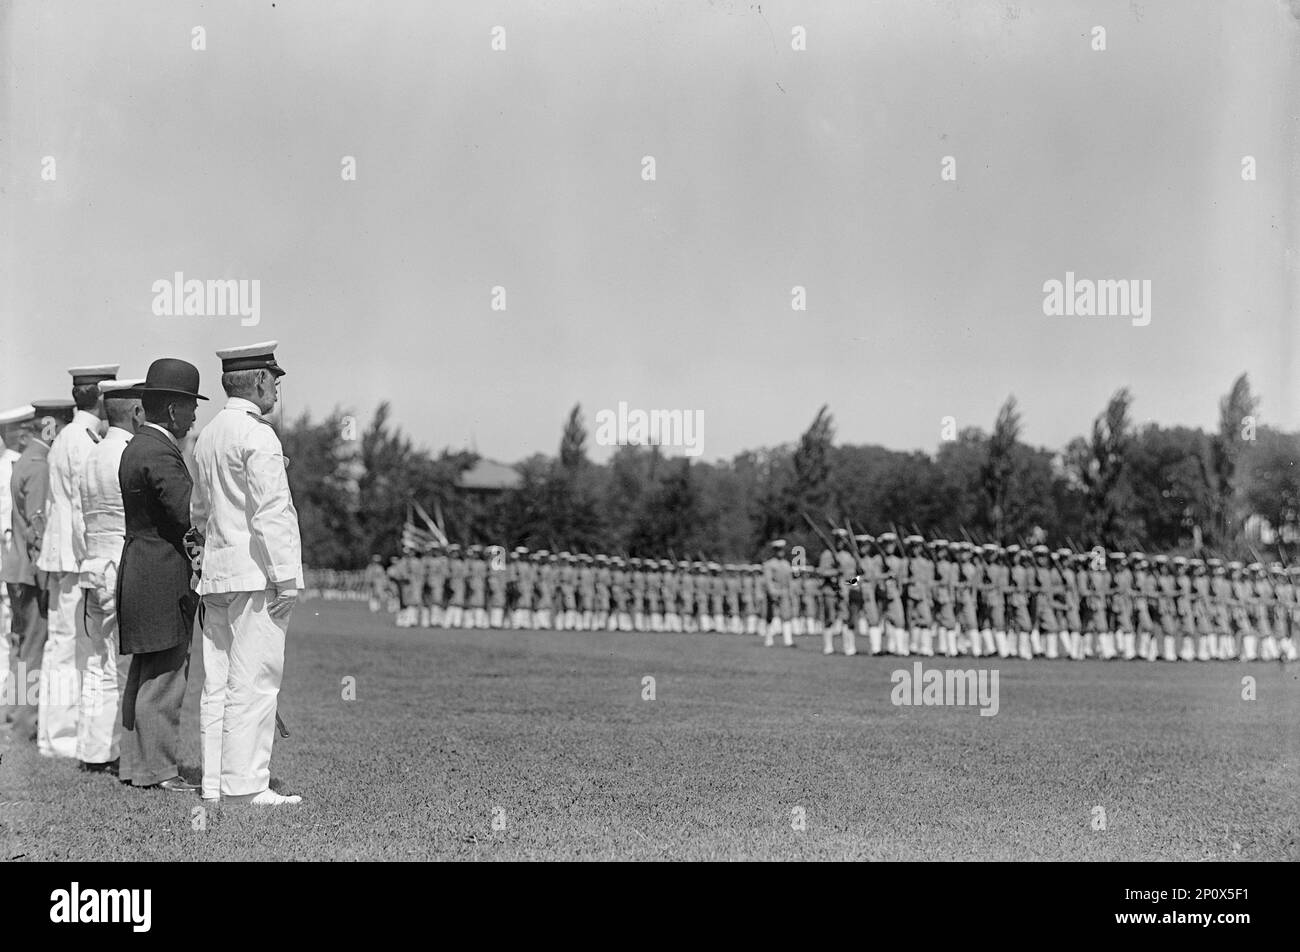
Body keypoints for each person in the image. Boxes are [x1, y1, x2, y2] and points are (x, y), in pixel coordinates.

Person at [191, 341, 302, 806]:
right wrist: (288, 577)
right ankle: (247, 784)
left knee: (218, 682)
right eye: (273, 380)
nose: (276, 388)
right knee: (255, 681)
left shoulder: (210, 434)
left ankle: (214, 783)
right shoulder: (259, 436)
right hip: (256, 575)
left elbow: (200, 511)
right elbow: (271, 513)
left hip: (217, 573)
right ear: (258, 380)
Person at [116, 359, 204, 793]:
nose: (193, 416)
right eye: (190, 407)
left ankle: (137, 766)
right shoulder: (161, 453)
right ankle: (162, 772)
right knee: (166, 676)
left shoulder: (138, 446)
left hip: (140, 568)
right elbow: (190, 513)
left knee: (144, 672)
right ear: (172, 410)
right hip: (163, 575)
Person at [36, 365, 118, 759]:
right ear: (101, 397)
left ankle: (54, 736)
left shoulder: (68, 436)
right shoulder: (84, 440)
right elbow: (88, 508)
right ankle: (62, 736)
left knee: (61, 646)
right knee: (71, 651)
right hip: (75, 556)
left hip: (62, 555)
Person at [75, 378, 145, 772]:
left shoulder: (92, 455)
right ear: (136, 412)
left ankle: (94, 749)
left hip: (93, 566)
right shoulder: (129, 455)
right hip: (121, 566)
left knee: (98, 664)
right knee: (122, 666)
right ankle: (120, 753)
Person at [0, 405, 34, 723]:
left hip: (13, 563)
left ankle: (14, 701)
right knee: (16, 635)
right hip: (13, 562)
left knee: (17, 634)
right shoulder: (8, 468)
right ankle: (12, 702)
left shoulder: (18, 465)